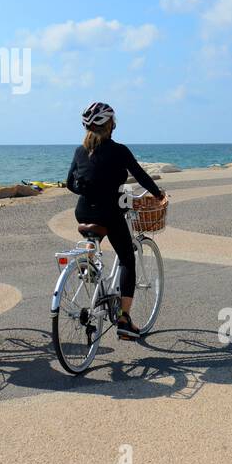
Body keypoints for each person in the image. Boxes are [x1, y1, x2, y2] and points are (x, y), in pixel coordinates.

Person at [65, 102, 165, 340]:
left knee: (95, 239)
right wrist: (158, 194)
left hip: (83, 214)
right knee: (127, 257)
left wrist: (89, 186)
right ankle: (123, 318)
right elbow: (140, 175)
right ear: (111, 125)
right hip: (109, 213)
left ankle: (88, 259)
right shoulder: (119, 150)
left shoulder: (80, 151)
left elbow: (71, 183)